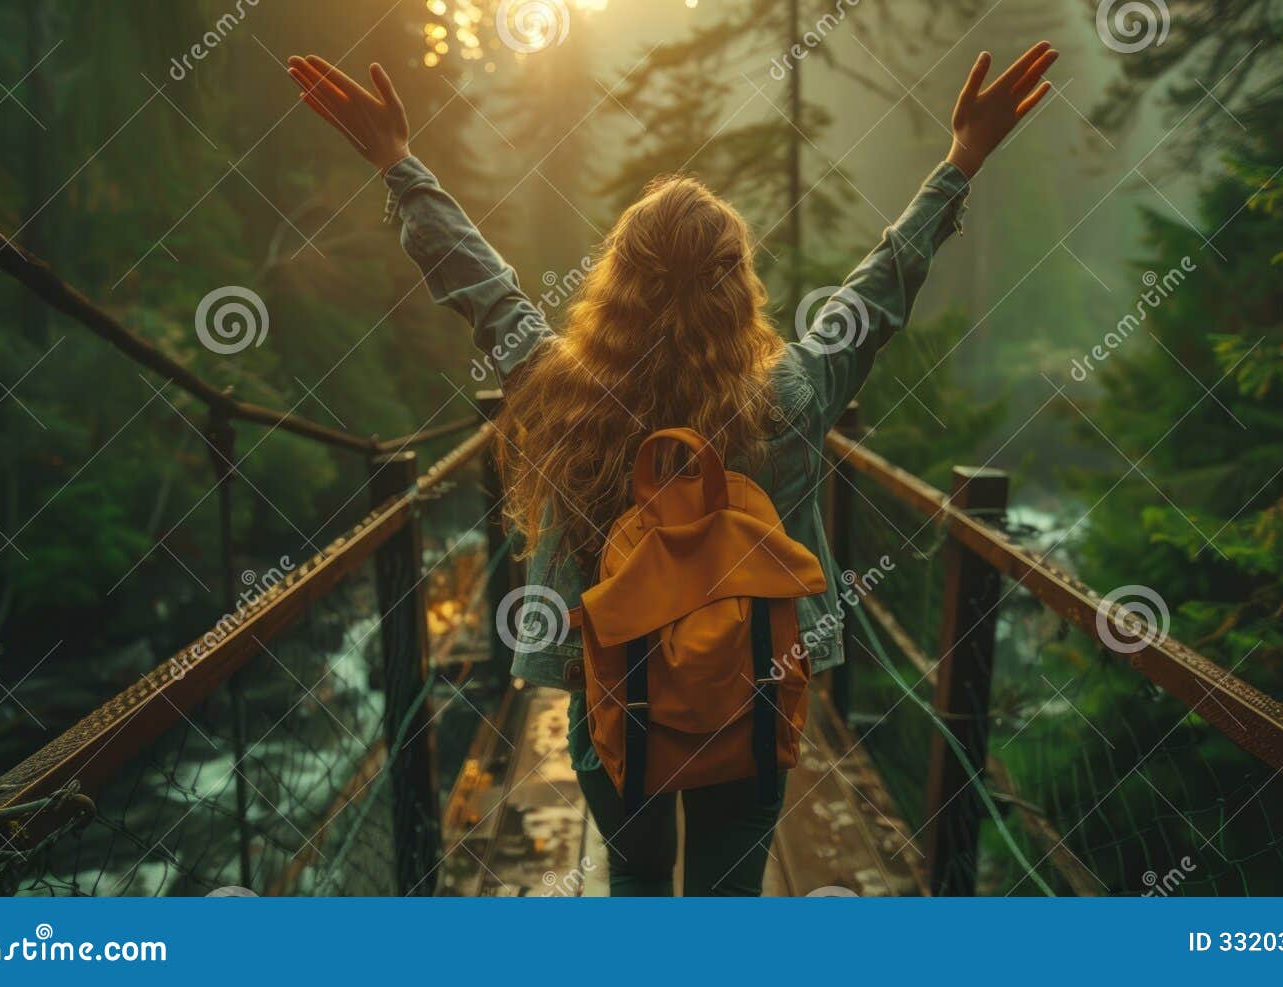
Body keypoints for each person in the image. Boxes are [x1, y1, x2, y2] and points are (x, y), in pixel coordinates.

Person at [285, 41, 1056, 896]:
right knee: (728, 897)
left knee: (638, 884)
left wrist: (398, 163)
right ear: (738, 291)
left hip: (618, 701)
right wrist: (960, 161)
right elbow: (881, 290)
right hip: (751, 698)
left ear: (616, 284)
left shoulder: (564, 395)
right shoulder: (793, 397)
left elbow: (481, 286)